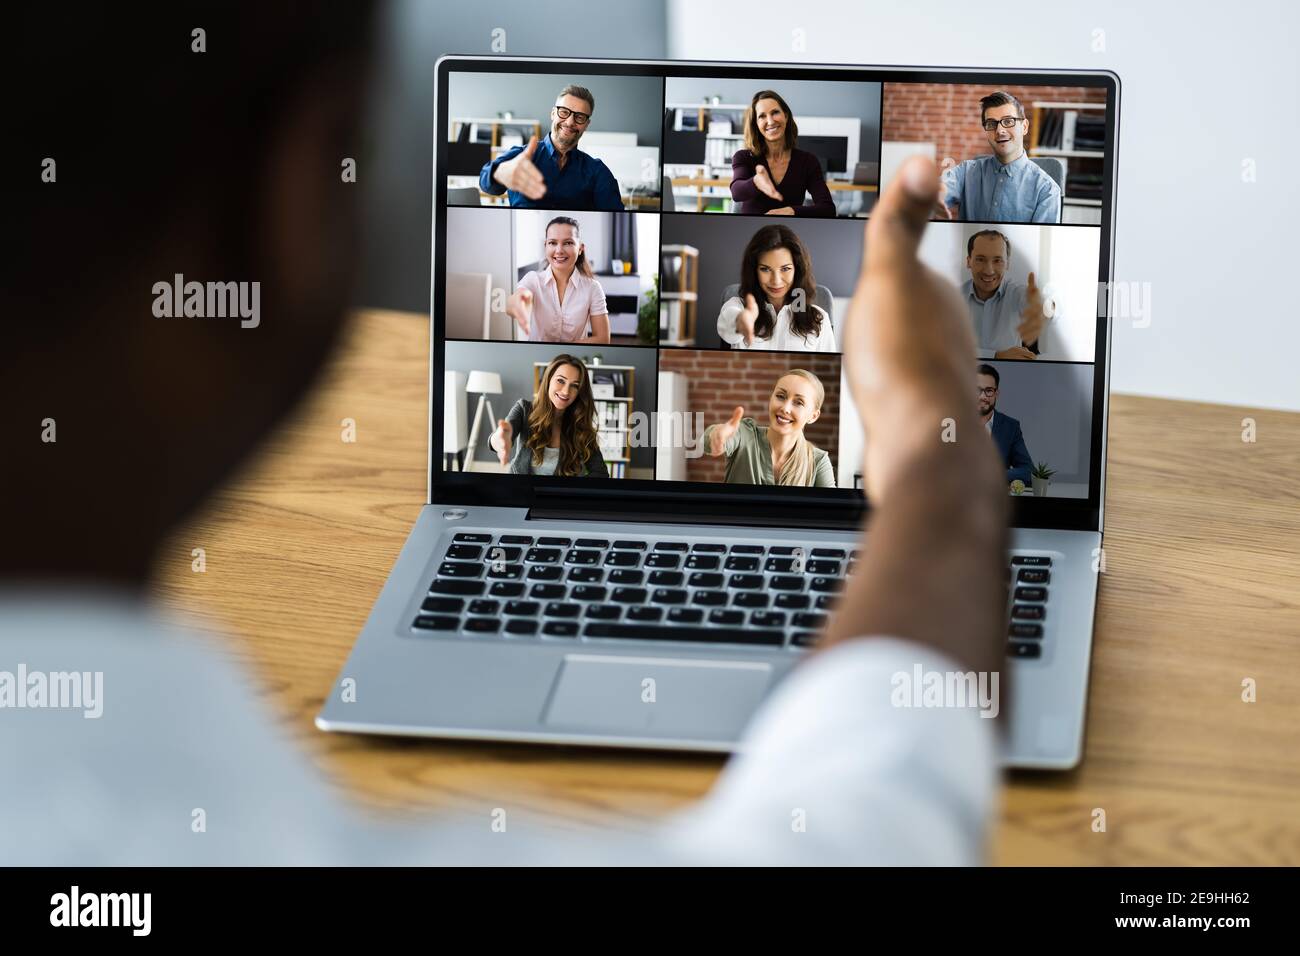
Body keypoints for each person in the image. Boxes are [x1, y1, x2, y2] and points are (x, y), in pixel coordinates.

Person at [10, 0, 1006, 867]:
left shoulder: (613, 210)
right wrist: (932, 438)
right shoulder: (537, 252)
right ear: (296, 192)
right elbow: (872, 825)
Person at [479, 85, 623, 211]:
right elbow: (486, 183)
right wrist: (499, 174)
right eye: (564, 112)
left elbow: (615, 216)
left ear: (586, 124)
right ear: (553, 113)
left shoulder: (597, 172)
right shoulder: (521, 155)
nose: (570, 122)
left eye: (579, 117)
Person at [935, 90, 1062, 224]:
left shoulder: (1047, 190)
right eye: (991, 123)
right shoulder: (966, 172)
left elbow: (1042, 243)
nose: (1000, 131)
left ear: (1024, 127)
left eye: (1008, 121)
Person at [701, 371, 835, 487]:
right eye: (780, 396)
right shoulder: (746, 434)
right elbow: (710, 441)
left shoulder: (818, 461)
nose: (785, 408)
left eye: (798, 402)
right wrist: (717, 436)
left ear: (813, 416)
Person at [717, 224, 837, 352]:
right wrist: (741, 322)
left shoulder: (819, 318)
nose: (776, 281)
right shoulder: (736, 305)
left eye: (785, 269)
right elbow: (728, 325)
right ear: (754, 271)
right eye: (765, 269)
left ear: (798, 270)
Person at [489, 355, 609, 477]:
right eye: (560, 381)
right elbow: (498, 439)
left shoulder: (581, 424)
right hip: (520, 491)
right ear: (548, 379)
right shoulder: (524, 409)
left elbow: (601, 473)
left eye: (575, 385)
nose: (566, 391)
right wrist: (501, 440)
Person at [729, 90, 835, 218]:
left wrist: (793, 211)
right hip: (752, 232)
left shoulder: (808, 161)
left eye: (775, 112)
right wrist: (756, 182)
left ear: (786, 115)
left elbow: (828, 209)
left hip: (788, 232)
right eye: (762, 116)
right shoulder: (744, 157)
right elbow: (736, 193)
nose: (770, 121)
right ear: (756, 125)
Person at [505, 217, 610, 344]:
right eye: (553, 243)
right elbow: (515, 300)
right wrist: (517, 303)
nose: (559, 250)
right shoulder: (533, 279)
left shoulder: (593, 288)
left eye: (568, 243)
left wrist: (564, 351)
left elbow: (603, 339)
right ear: (545, 246)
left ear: (581, 248)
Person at [962, 229, 1049, 359]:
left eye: (997, 260)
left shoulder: (1018, 293)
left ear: (1007, 263)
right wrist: (997, 356)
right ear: (969, 261)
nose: (989, 270)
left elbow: (1044, 306)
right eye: (980, 259)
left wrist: (1046, 307)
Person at [977, 364, 1033, 485]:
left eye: (989, 391)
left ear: (997, 394)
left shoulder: (1010, 427)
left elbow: (1028, 471)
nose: (982, 396)